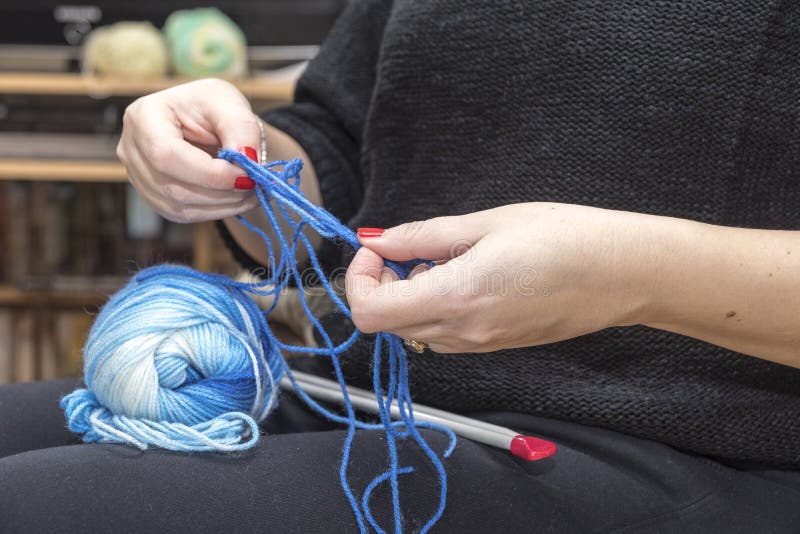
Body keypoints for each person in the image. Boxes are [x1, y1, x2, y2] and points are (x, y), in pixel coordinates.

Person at [2, 1, 800, 532]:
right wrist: (238, 172)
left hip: (678, 442)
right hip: (362, 392)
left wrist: (635, 275)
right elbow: (334, 149)